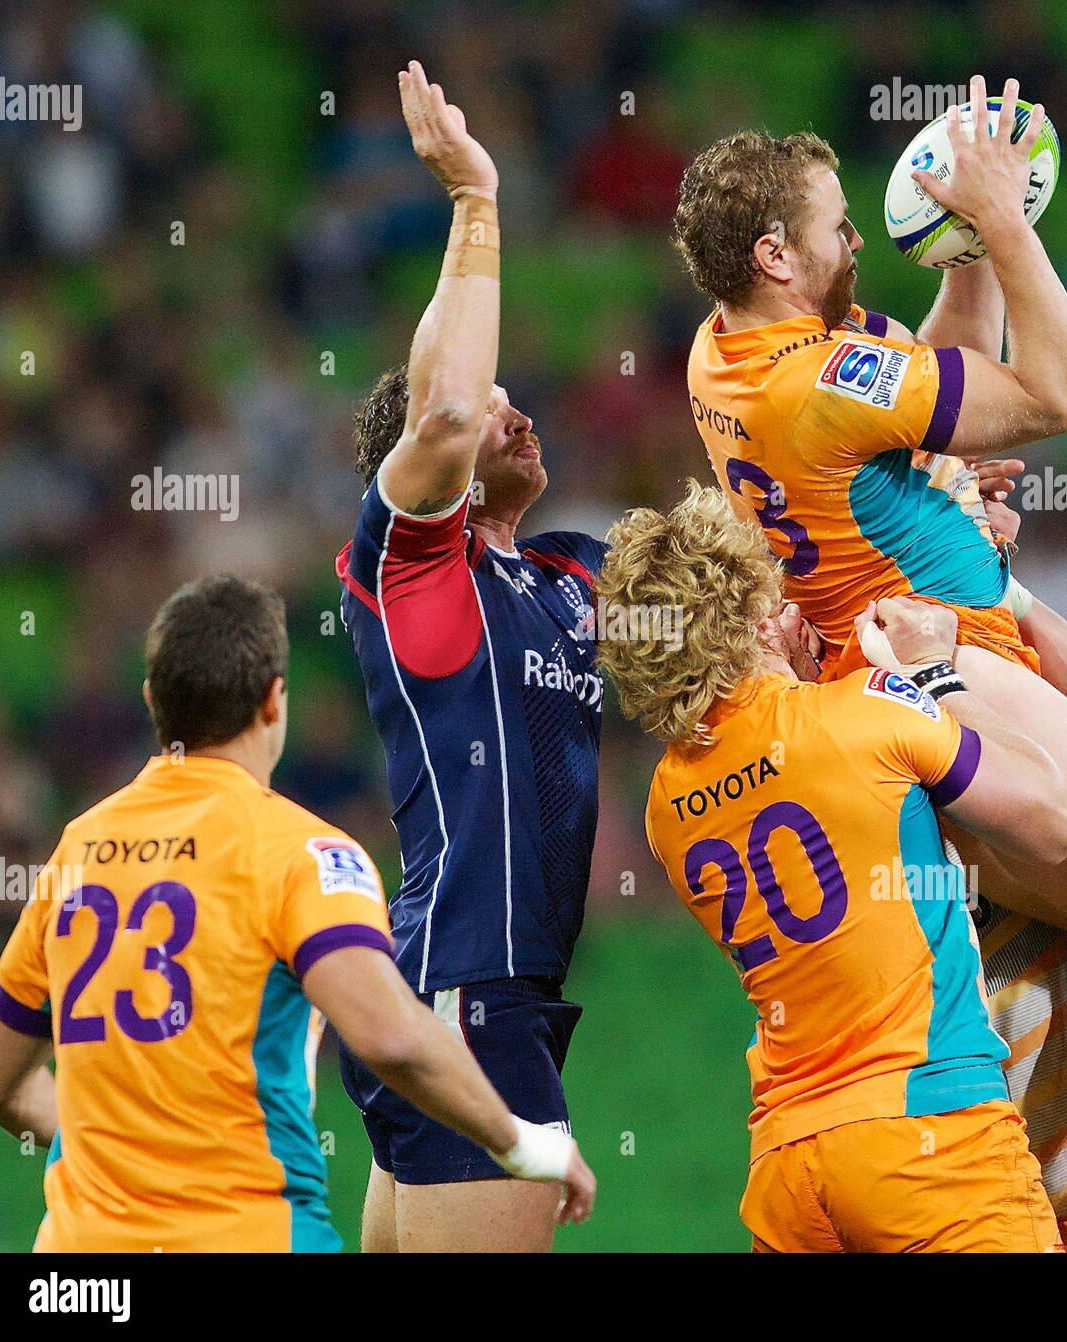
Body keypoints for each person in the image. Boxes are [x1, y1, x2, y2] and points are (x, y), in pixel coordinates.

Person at [671, 75, 1067, 1252]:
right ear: (776, 252)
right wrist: (1003, 219)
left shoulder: (723, 354)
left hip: (906, 684)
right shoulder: (810, 380)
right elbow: (1058, 394)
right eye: (840, 225)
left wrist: (962, 261)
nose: (858, 240)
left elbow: (930, 406)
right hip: (963, 676)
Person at [0, 574, 594, 1252]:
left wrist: (114, 1158)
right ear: (275, 702)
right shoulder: (306, 854)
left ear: (154, 701)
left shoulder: (77, 851)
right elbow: (389, 1037)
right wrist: (521, 1145)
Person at [596, 482, 1067, 1252]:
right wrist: (936, 673)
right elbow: (1054, 821)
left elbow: (790, 782)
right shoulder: (870, 710)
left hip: (788, 1171)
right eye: (776, 591)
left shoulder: (665, 804)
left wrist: (786, 684)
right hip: (930, 1139)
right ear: (755, 619)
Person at [335, 62, 608, 1252]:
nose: (514, 413)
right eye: (497, 400)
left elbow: (752, 580)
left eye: (516, 396)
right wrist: (476, 203)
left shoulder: (567, 576)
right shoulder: (407, 570)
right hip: (464, 1000)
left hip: (493, 1003)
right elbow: (442, 414)